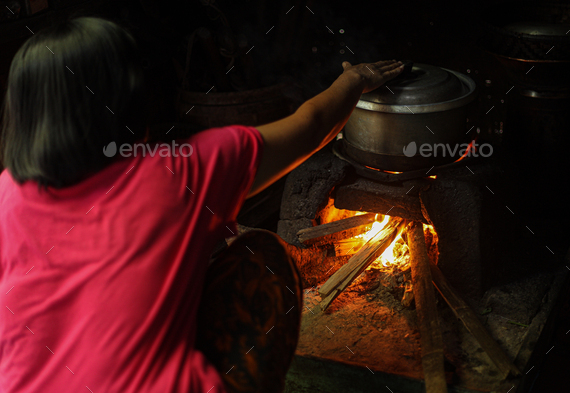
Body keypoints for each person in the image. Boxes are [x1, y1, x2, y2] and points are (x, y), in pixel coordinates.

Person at [0, 16, 404, 393]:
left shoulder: (8, 195)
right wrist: (355, 80)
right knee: (259, 260)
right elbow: (312, 127)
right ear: (130, 95)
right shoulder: (181, 175)